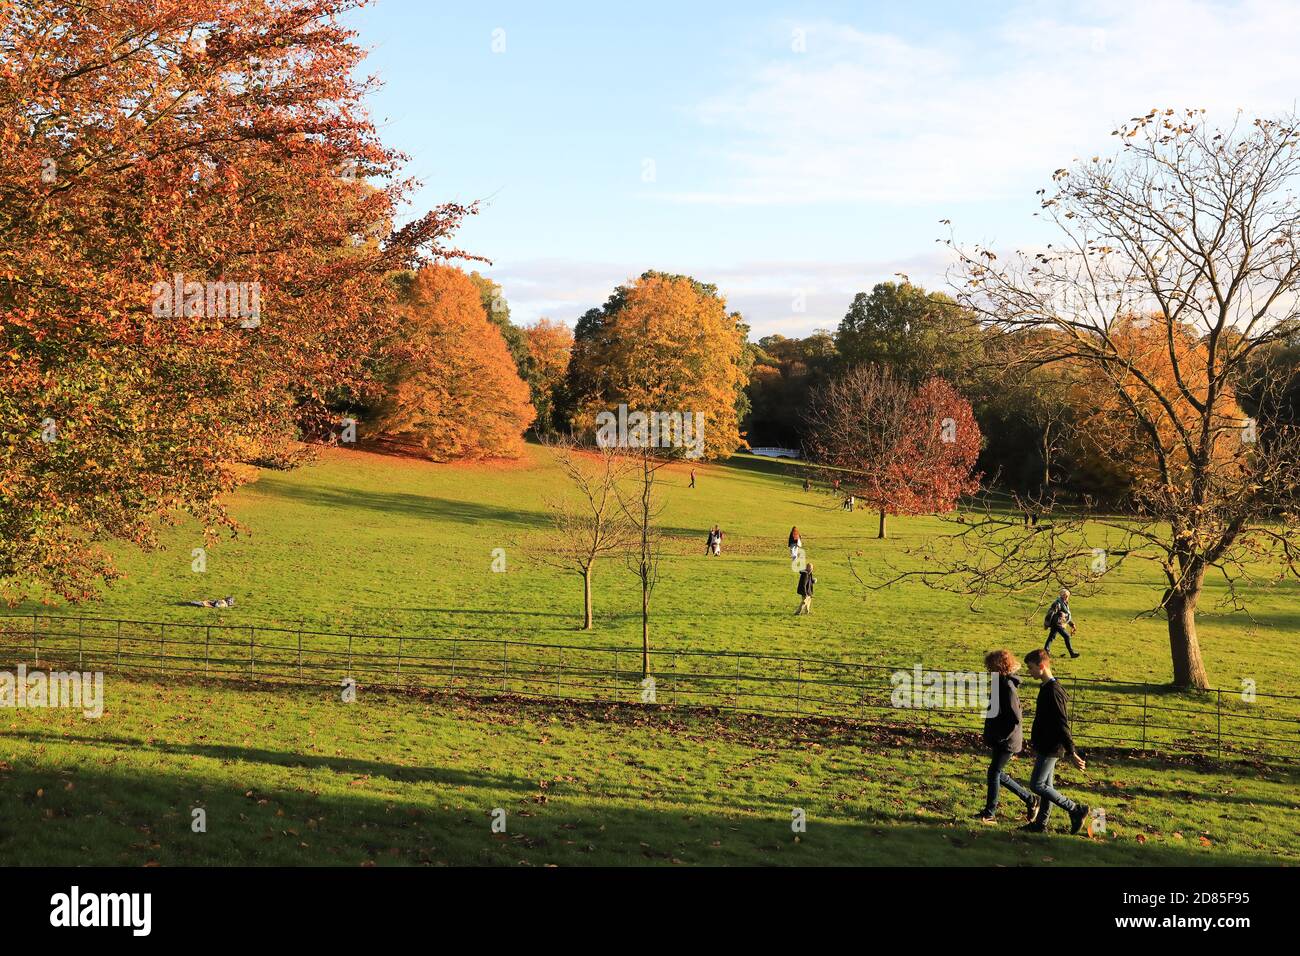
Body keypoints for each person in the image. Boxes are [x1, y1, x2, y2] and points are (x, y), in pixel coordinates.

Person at [1021, 648, 1091, 835]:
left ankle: (1076, 810)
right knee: (1047, 787)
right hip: (1045, 743)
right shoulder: (1047, 687)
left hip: (1052, 746)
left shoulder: (1052, 691)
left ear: (1041, 666)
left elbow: (1062, 724)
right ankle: (1040, 824)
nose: (1029, 672)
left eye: (1030, 668)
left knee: (1037, 785)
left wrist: (1072, 752)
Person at [976, 650, 1039, 824]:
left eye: (990, 666)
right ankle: (1030, 800)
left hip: (1007, 740)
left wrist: (1001, 737)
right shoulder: (998, 683)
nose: (988, 670)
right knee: (996, 773)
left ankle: (990, 813)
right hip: (1000, 737)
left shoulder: (1007, 687)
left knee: (994, 773)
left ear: (999, 666)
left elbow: (1015, 718)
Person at [1043, 588, 1080, 658]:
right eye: (1065, 595)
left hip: (1059, 623)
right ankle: (1072, 653)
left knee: (1051, 637)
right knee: (1067, 636)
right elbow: (1051, 613)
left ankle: (1046, 650)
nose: (1066, 597)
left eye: (1067, 596)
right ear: (1061, 595)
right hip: (1057, 623)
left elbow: (1066, 616)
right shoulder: (1058, 603)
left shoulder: (1064, 603)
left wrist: (1072, 624)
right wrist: (1047, 624)